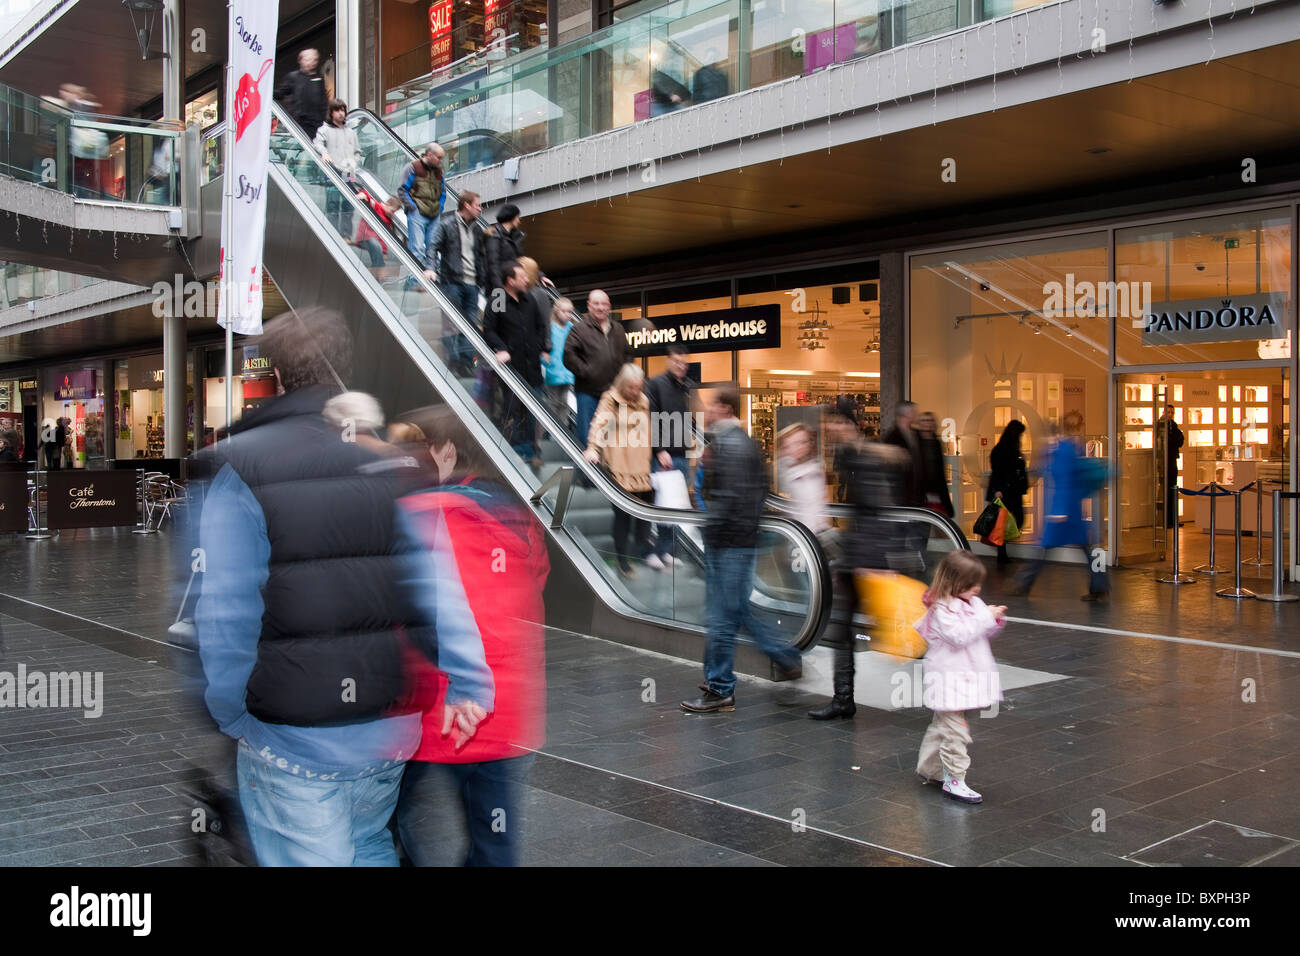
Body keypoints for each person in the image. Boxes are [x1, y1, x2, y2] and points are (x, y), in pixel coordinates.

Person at [192, 308, 493, 867]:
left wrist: (230, 710)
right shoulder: (390, 469)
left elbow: (226, 609)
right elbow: (437, 586)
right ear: (341, 370)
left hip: (292, 734)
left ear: (275, 377)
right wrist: (471, 683)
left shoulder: (240, 465)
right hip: (387, 729)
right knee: (370, 845)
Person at [394, 405, 549, 867]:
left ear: (445, 450)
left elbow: (411, 606)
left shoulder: (419, 512)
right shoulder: (519, 511)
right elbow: (534, 582)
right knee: (494, 839)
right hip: (508, 709)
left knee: (392, 823)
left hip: (437, 708)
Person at [681, 385, 802, 714]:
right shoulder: (739, 443)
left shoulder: (730, 446)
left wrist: (708, 524)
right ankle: (786, 658)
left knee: (721, 616)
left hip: (729, 543)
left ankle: (721, 688)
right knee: (735, 611)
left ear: (723, 407)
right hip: (735, 542)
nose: (706, 412)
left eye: (711, 406)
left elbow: (729, 500)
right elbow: (757, 491)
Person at [807, 409, 907, 721]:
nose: (832, 427)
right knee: (843, 629)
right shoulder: (850, 455)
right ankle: (843, 699)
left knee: (859, 627)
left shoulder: (866, 460)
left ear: (854, 425)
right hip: (857, 556)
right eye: (830, 422)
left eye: (838, 422)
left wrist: (873, 562)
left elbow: (877, 511)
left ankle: (844, 700)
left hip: (866, 557)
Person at [913, 550, 1006, 805]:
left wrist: (993, 619)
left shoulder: (970, 602)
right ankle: (955, 778)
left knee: (942, 726)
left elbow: (979, 633)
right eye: (971, 584)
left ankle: (929, 768)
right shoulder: (942, 609)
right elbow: (959, 636)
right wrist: (986, 617)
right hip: (949, 680)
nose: (977, 589)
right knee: (956, 732)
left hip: (965, 678)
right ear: (953, 582)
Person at [1011, 422, 1109, 601]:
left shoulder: (1061, 452)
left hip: (1064, 512)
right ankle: (1099, 586)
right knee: (1084, 548)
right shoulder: (1063, 450)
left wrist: (1059, 512)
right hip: (1070, 510)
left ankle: (1023, 584)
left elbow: (1064, 482)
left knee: (1043, 547)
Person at [584, 364, 654, 578]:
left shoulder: (643, 401)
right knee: (623, 516)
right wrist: (593, 448)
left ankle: (644, 545)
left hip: (641, 465)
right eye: (632, 387)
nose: (635, 391)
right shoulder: (611, 399)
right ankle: (622, 561)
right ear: (623, 384)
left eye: (638, 387)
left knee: (645, 512)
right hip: (619, 465)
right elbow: (599, 424)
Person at [483, 260, 546, 463]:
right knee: (516, 413)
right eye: (522, 277)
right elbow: (490, 329)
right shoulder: (499, 297)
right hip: (512, 370)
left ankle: (532, 452)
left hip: (532, 369)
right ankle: (521, 454)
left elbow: (540, 326)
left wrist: (540, 348)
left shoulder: (529, 300)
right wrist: (502, 348)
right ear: (510, 280)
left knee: (533, 414)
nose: (527, 279)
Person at [646, 345, 696, 567]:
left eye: (684, 363)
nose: (681, 366)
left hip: (683, 453)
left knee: (676, 506)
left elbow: (694, 419)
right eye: (677, 362)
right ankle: (656, 552)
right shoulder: (656, 384)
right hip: (664, 455)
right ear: (669, 361)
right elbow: (651, 418)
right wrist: (659, 450)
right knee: (663, 506)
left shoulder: (688, 387)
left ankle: (668, 551)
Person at [564, 289, 628, 452]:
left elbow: (628, 355)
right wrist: (588, 372)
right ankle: (586, 477)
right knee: (587, 439)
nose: (600, 307)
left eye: (604, 304)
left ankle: (607, 477)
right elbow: (568, 356)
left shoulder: (618, 329)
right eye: (596, 304)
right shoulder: (579, 329)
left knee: (614, 439)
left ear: (609, 307)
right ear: (589, 306)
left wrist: (624, 379)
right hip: (588, 393)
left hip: (615, 394)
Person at [431, 190, 487, 374]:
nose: (480, 209)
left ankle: (466, 364)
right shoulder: (447, 225)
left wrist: (482, 280)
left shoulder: (478, 230)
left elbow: (480, 256)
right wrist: (430, 268)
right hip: (452, 282)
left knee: (471, 326)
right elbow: (433, 246)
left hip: (472, 285)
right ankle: (453, 363)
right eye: (477, 205)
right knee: (451, 325)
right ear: (466, 205)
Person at [313, 98, 361, 239]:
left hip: (348, 173)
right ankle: (333, 235)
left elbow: (357, 151)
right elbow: (318, 144)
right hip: (333, 173)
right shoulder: (324, 130)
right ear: (331, 112)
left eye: (342, 110)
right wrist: (324, 153)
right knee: (333, 205)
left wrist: (355, 163)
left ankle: (346, 235)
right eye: (337, 110)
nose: (341, 113)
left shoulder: (351, 132)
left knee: (348, 205)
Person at [398, 143, 446, 278]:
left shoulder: (438, 172)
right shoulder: (412, 167)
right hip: (417, 211)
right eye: (438, 157)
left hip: (434, 213)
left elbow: (443, 191)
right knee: (417, 248)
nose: (440, 161)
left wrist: (440, 207)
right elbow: (402, 189)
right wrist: (412, 207)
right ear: (429, 155)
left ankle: (434, 277)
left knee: (433, 247)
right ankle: (417, 279)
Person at [986, 420, 1028, 568]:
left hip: (1010, 492)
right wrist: (997, 490)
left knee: (1009, 521)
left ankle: (1002, 552)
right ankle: (1001, 553)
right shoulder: (1002, 450)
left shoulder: (1008, 450)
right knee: (1006, 522)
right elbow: (998, 472)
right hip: (1004, 492)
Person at [776, 423, 829, 537]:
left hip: (811, 534)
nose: (800, 447)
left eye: (804, 442)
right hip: (798, 534)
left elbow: (818, 507)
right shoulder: (785, 470)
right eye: (795, 443)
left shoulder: (815, 471)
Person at [275, 49, 328, 141]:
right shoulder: (293, 77)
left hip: (316, 125)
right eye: (308, 59)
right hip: (298, 123)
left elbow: (323, 103)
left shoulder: (319, 79)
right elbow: (280, 93)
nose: (311, 63)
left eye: (314, 60)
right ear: (300, 60)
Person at [540, 297, 576, 429]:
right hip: (553, 371)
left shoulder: (571, 328)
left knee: (564, 403)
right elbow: (542, 346)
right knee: (552, 402)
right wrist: (544, 359)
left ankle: (562, 431)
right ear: (556, 311)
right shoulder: (550, 328)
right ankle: (550, 431)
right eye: (564, 311)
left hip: (567, 372)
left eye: (570, 312)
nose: (568, 315)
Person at [483, 203, 526, 302]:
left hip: (511, 288)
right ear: (511, 216)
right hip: (498, 289)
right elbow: (492, 264)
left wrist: (540, 275)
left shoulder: (514, 238)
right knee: (498, 314)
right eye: (517, 217)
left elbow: (522, 260)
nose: (519, 221)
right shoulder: (494, 236)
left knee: (509, 316)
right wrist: (499, 290)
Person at [916, 411, 954, 519]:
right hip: (921, 495)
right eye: (924, 420)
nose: (927, 423)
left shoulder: (936, 443)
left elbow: (940, 473)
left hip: (935, 493)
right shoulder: (916, 442)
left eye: (930, 420)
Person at [1158, 404, 1184, 528]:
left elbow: (1180, 440)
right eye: (1168, 412)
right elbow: (1169, 441)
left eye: (1172, 413)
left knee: (1173, 490)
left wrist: (1173, 440)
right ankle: (1165, 520)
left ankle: (1172, 519)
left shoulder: (1173, 425)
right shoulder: (1160, 426)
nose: (1170, 415)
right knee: (1165, 491)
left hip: (1172, 460)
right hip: (1163, 461)